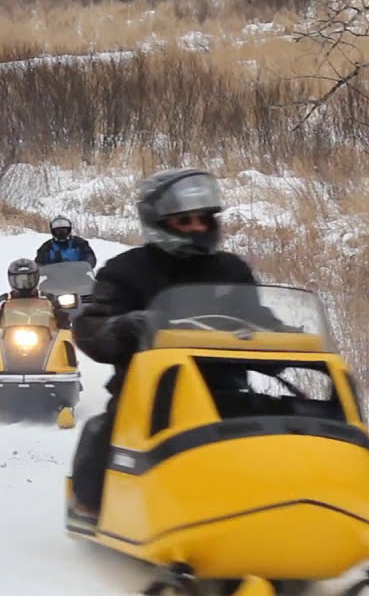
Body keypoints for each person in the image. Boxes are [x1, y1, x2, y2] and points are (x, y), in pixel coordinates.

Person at [67, 167, 289, 520]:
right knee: (109, 429)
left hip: (224, 391)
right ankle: (92, 504)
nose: (198, 228)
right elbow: (92, 324)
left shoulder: (231, 271)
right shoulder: (125, 271)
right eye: (185, 221)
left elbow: (257, 318)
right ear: (159, 221)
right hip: (150, 393)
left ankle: (293, 508)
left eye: (203, 219)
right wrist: (125, 326)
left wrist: (283, 339)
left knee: (287, 425)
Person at [0, 258, 72, 331]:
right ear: (11, 279)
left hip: (47, 342)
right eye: (19, 280)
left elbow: (66, 323)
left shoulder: (48, 298)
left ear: (36, 278)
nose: (24, 284)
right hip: (8, 344)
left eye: (29, 279)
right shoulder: (2, 301)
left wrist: (61, 317)